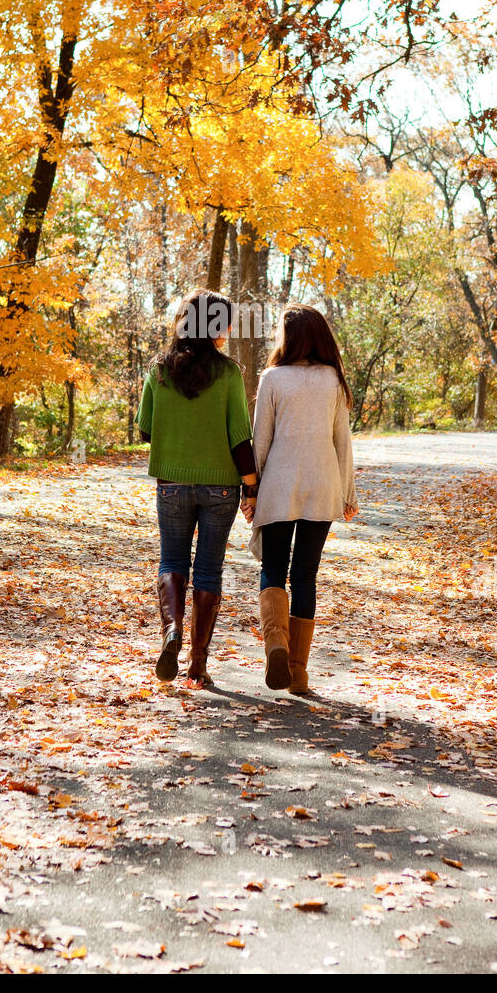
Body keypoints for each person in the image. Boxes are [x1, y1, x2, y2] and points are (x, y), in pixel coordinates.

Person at [136, 290, 258, 687]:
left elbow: (145, 428)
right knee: (209, 569)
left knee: (172, 562)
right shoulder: (229, 374)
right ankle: (197, 665)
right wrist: (251, 488)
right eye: (225, 322)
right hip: (221, 488)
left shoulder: (158, 369)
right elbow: (240, 437)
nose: (229, 329)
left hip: (172, 484)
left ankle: (172, 631)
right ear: (215, 326)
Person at [244, 303, 359, 694]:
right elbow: (343, 443)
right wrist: (348, 492)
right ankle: (297, 673)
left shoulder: (273, 379)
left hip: (279, 484)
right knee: (306, 574)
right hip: (323, 484)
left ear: (289, 338)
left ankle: (275, 640)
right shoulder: (333, 380)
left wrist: (251, 490)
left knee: (274, 567)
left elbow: (261, 441)